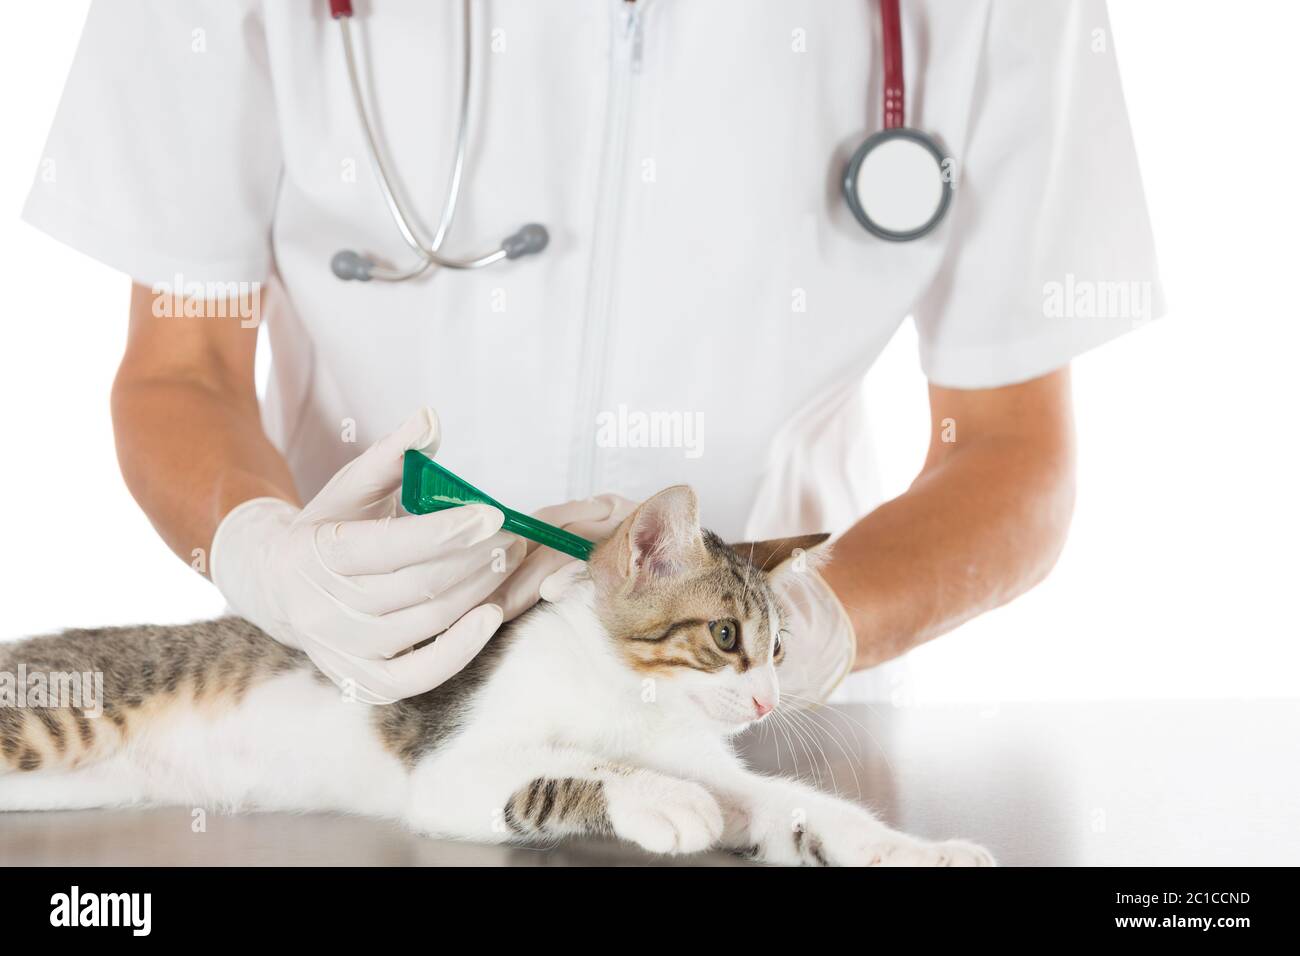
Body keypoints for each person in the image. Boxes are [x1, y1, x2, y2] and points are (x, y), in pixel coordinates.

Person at [23, 0, 1162, 704]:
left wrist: (819, 628)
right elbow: (183, 371)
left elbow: (1014, 451)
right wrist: (265, 554)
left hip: (767, 733)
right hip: (357, 709)